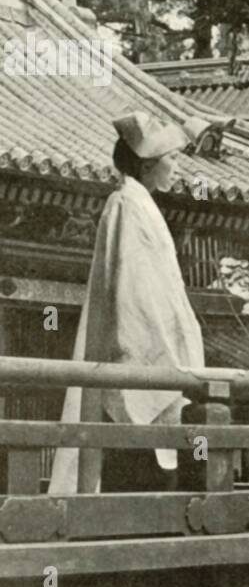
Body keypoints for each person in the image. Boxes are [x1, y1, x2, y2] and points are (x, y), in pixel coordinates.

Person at [48, 112, 205, 494]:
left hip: (157, 356)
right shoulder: (126, 205)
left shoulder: (141, 204)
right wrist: (162, 353)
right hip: (138, 357)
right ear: (149, 163)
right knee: (140, 470)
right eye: (172, 158)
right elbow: (135, 295)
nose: (176, 167)